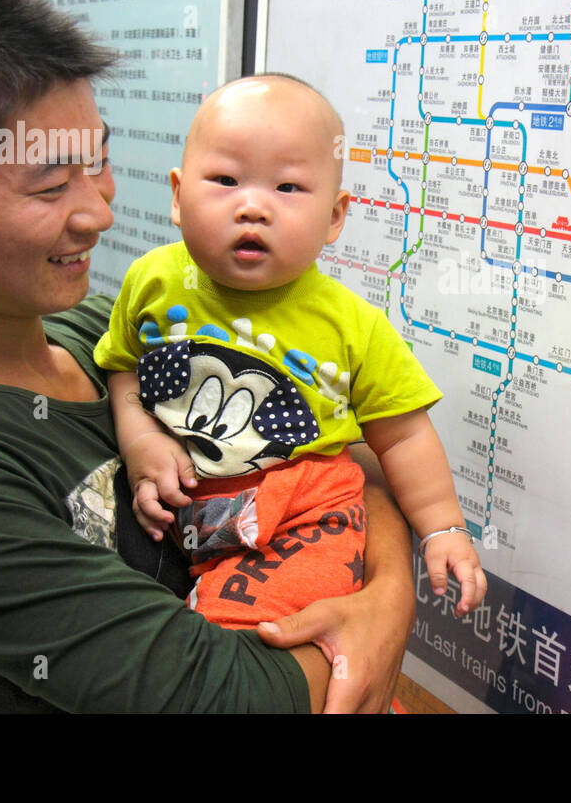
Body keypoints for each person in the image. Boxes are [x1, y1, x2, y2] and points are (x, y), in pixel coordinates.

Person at [0, 0, 414, 712]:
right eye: (50, 185)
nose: (99, 212)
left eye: (98, 161)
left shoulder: (107, 333)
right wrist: (374, 629)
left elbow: (351, 455)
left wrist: (390, 595)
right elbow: (236, 701)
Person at [93, 74, 488, 630]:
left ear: (334, 216)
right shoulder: (152, 281)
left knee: (244, 636)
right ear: (179, 197)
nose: (253, 206)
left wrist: (444, 528)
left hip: (302, 513)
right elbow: (122, 366)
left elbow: (402, 434)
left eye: (288, 188)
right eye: (226, 180)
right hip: (182, 508)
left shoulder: (353, 325)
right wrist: (140, 440)